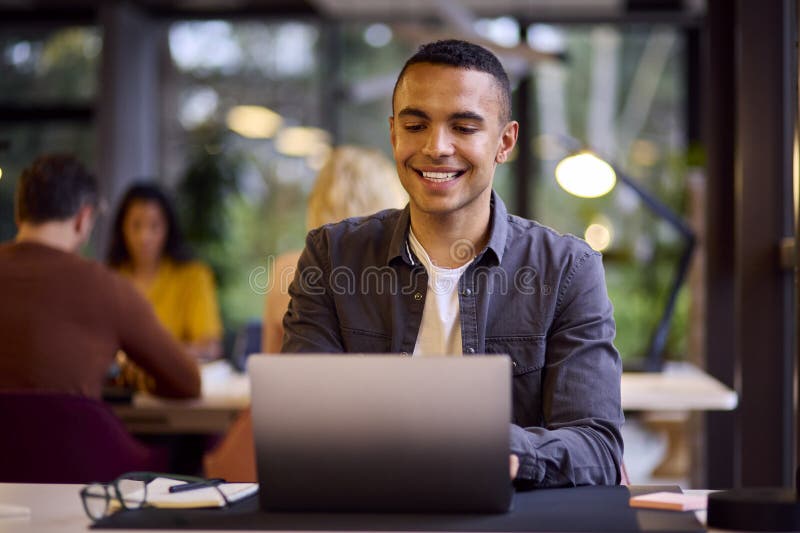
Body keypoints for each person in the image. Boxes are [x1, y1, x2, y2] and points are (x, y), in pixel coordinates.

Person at [282, 40, 624, 488]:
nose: (436, 147)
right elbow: (299, 423)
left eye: (463, 127)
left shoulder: (567, 269)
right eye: (415, 124)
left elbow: (597, 446)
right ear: (393, 135)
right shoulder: (332, 255)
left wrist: (506, 450)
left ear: (505, 142)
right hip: (370, 510)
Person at [0, 154, 200, 399]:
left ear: (19, 216)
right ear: (83, 219)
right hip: (70, 436)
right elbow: (187, 382)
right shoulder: (105, 287)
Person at [261, 145, 407, 353]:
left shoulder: (286, 269)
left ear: (317, 200)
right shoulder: (406, 270)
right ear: (390, 198)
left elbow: (274, 370)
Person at [107, 183, 223, 361]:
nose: (144, 237)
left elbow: (210, 346)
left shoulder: (193, 276)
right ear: (122, 228)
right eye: (136, 225)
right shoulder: (109, 278)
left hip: (174, 383)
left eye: (154, 226)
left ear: (168, 229)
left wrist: (155, 355)